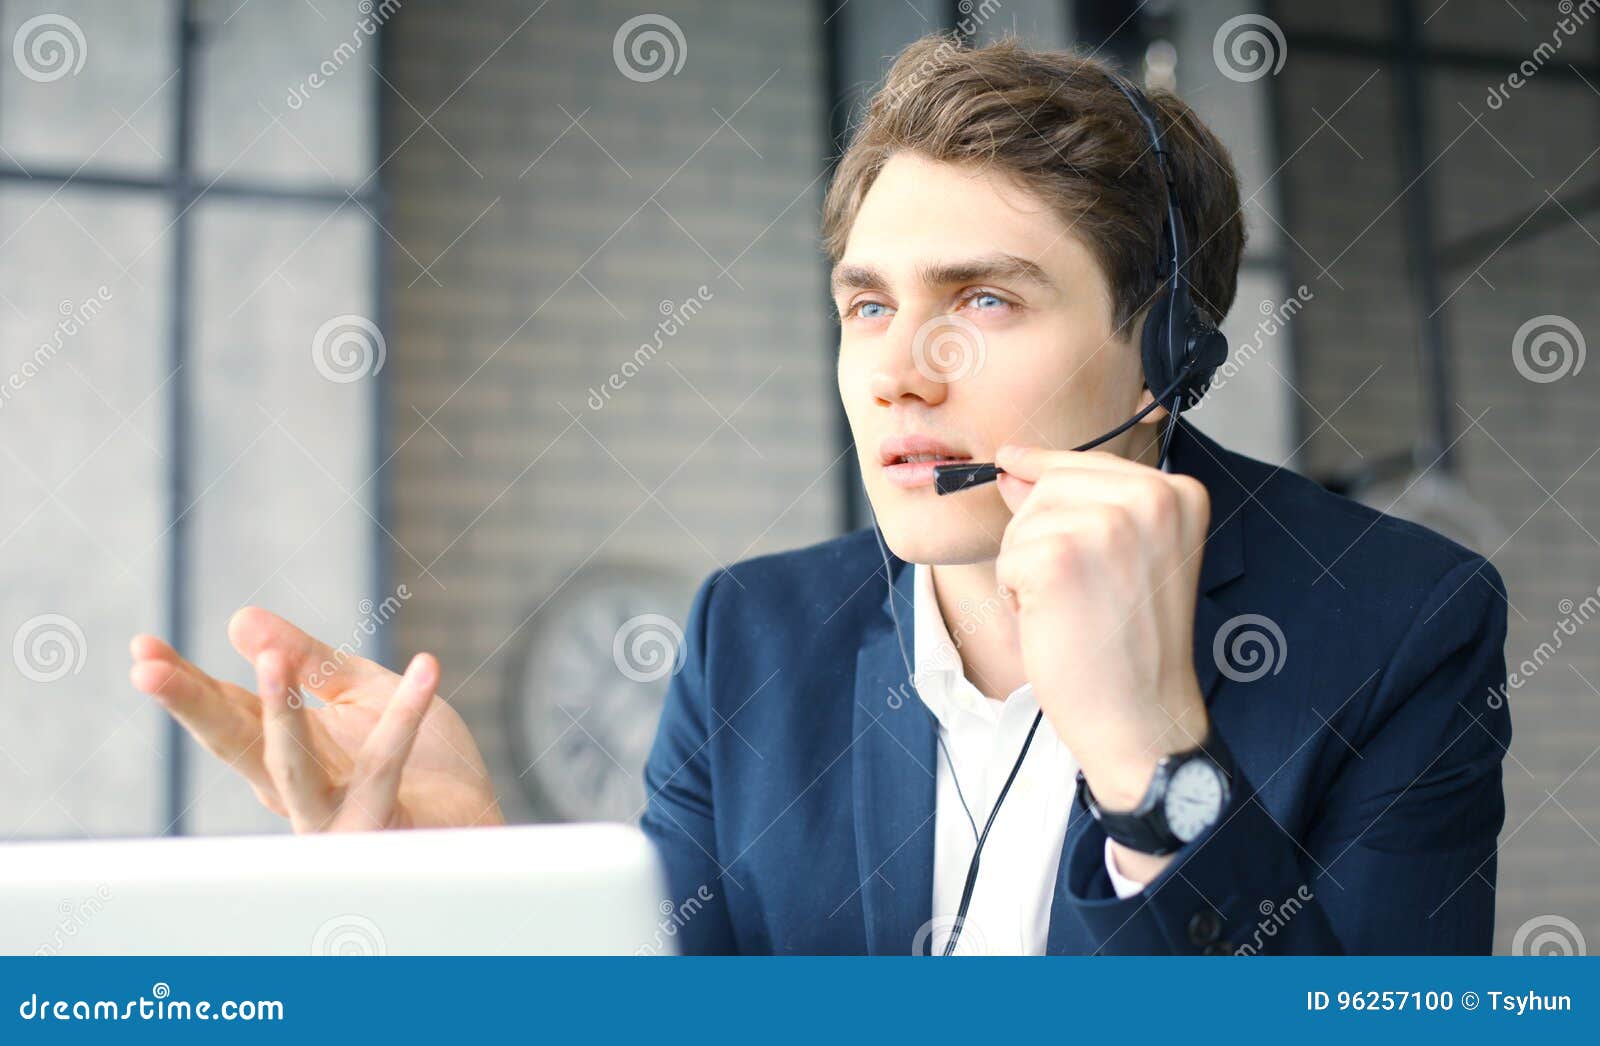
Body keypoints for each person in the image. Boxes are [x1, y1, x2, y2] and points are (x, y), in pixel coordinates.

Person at [130, 34, 1511, 955]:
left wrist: (1160, 766)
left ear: (1168, 346)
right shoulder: (757, 634)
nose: (899, 376)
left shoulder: (1397, 622)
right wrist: (483, 895)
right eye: (867, 305)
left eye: (981, 298)